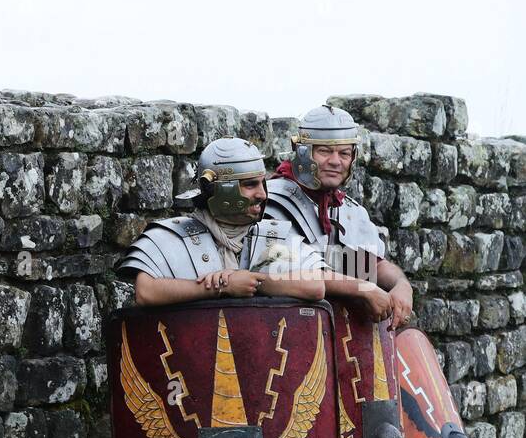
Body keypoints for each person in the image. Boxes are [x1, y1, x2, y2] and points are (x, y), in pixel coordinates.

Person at [122, 137, 329, 305]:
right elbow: (146, 292)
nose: (262, 195)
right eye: (250, 185)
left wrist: (250, 281)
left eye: (261, 183)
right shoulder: (170, 237)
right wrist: (221, 287)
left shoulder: (276, 234)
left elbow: (315, 286)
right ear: (221, 190)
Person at [264, 105, 414, 328]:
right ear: (303, 151)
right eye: (324, 151)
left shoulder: (346, 210)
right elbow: (286, 272)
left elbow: (372, 266)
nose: (336, 161)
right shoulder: (270, 202)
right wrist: (363, 289)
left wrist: (402, 286)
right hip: (283, 333)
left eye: (344, 153)